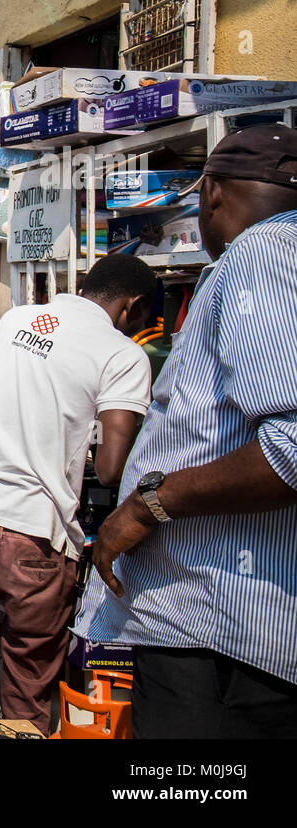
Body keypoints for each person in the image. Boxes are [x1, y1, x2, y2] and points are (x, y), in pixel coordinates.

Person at [75, 125, 297, 737]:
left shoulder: (262, 254)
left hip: (219, 627)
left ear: (214, 194)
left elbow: (294, 447)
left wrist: (148, 507)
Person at [0, 254, 157, 735]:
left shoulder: (17, 319)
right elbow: (110, 469)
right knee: (26, 695)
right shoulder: (122, 354)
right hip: (38, 537)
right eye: (144, 320)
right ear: (134, 307)